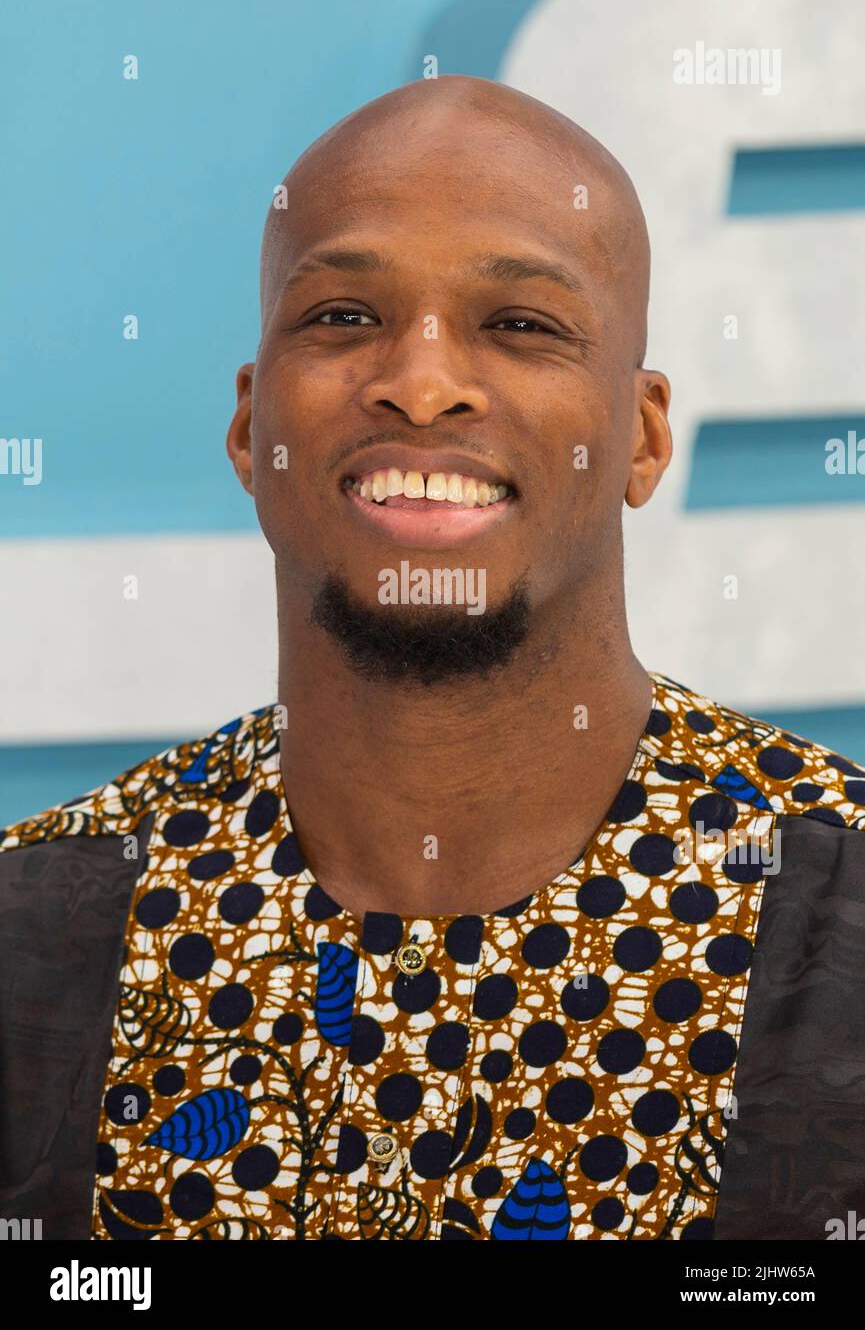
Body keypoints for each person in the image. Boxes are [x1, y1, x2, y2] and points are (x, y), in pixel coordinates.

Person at [2, 75, 863, 1243]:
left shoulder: (836, 910)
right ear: (252, 428)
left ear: (642, 435)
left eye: (520, 326)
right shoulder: (33, 930)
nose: (418, 382)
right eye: (344, 316)